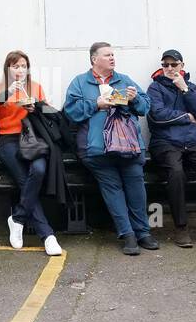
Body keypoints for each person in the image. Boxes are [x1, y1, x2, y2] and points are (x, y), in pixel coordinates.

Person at [64, 42, 158, 256]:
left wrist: (134, 99)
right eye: (107, 55)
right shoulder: (80, 82)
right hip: (96, 149)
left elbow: (145, 107)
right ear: (94, 59)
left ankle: (143, 232)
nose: (112, 58)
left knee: (136, 188)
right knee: (113, 190)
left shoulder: (124, 80)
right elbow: (71, 113)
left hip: (129, 146)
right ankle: (128, 235)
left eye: (113, 54)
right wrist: (96, 104)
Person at [0, 51, 63, 255]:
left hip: (33, 139)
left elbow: (48, 114)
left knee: (38, 170)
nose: (20, 70)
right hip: (9, 140)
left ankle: (17, 218)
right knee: (23, 179)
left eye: (23, 66)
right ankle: (48, 236)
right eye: (16, 66)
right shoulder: (0, 88)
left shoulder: (35, 87)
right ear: (8, 68)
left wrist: (37, 106)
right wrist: (8, 93)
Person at [147, 49, 196, 248]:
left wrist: (184, 90)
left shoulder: (191, 87)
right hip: (165, 143)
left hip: (192, 142)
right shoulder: (155, 88)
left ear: (182, 66)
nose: (169, 68)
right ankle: (181, 228)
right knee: (176, 173)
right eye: (166, 65)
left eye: (174, 64)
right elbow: (156, 115)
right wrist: (186, 117)